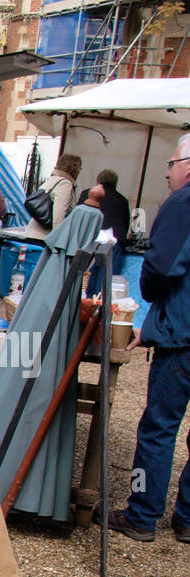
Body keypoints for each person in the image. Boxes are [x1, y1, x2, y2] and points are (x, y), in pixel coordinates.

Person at [108, 133, 190, 544]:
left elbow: (160, 269)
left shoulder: (183, 202)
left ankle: (142, 513)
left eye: (171, 163)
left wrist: (156, 312)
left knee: (159, 428)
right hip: (179, 327)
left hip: (183, 337)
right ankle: (187, 518)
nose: (167, 172)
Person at [88, 168, 130, 296]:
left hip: (92, 240)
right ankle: (99, 306)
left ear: (98, 181)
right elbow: (126, 223)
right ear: (115, 183)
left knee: (89, 274)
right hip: (114, 242)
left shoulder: (88, 195)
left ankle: (87, 301)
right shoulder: (122, 200)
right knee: (106, 280)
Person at [25, 153, 80, 238]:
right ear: (75, 169)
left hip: (34, 231)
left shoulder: (53, 180)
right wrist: (57, 238)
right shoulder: (65, 184)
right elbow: (59, 215)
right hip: (44, 236)